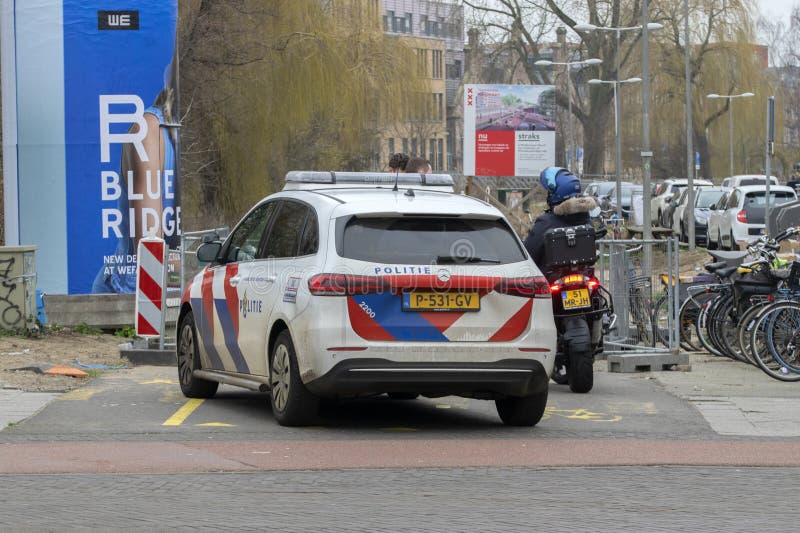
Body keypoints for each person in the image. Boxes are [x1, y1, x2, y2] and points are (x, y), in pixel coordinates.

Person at [523, 167, 597, 269]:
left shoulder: (545, 223)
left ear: (554, 194)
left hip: (550, 280)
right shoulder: (586, 219)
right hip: (583, 275)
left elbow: (529, 254)